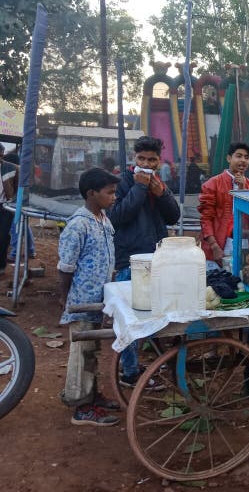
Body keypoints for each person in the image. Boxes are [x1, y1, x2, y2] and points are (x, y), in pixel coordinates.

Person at [108, 136, 181, 388]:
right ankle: (129, 372)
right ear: (134, 158)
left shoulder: (159, 183)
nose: (146, 164)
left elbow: (174, 216)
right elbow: (117, 216)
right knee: (129, 315)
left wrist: (161, 194)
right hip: (129, 258)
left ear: (159, 161)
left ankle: (146, 361)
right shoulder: (121, 182)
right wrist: (139, 188)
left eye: (152, 159)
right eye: (142, 159)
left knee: (151, 310)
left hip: (157, 256)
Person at [58, 168, 121, 426]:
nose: (114, 196)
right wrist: (66, 300)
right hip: (81, 301)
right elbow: (65, 267)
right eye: (110, 192)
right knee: (81, 350)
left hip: (99, 299)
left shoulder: (104, 219)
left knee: (92, 348)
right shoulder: (78, 224)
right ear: (92, 194)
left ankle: (91, 395)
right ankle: (80, 406)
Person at [199, 142, 249, 269]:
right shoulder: (212, 184)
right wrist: (214, 246)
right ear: (229, 158)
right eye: (239, 156)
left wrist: (243, 189)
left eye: (247, 157)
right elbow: (206, 219)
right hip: (217, 245)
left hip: (243, 245)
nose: (243, 160)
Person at [0, 144, 18, 274]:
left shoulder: (11, 168)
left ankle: (1, 265)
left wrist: (13, 200)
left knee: (2, 236)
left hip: (5, 206)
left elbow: (18, 186)